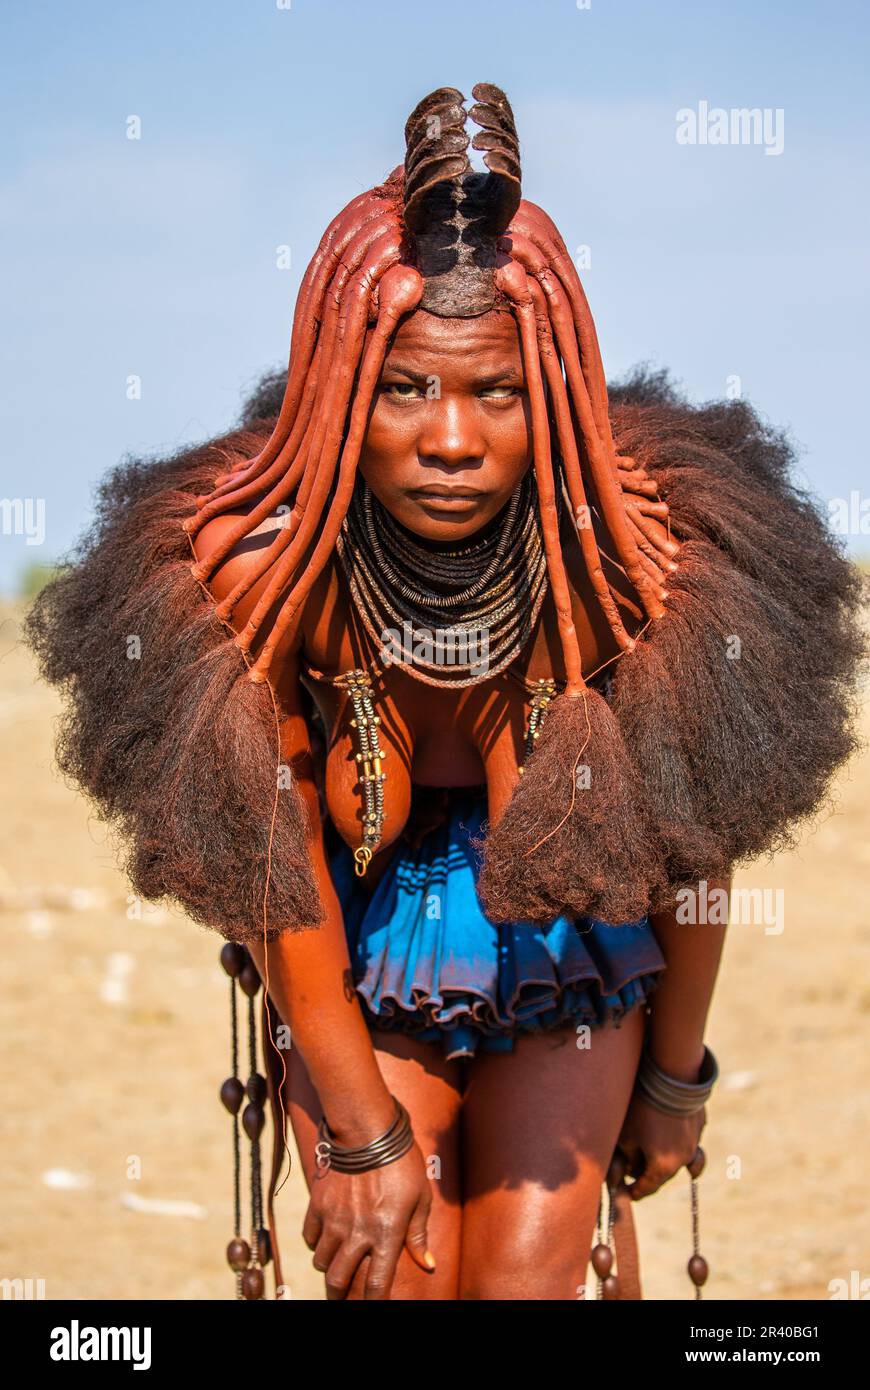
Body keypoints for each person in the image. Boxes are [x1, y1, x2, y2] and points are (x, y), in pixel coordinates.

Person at [26, 85, 864, 1302]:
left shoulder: (641, 571)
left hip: (567, 948)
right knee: (387, 1272)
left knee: (529, 1283)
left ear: (559, 395)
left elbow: (694, 847)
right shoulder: (256, 578)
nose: (454, 438)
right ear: (335, 391)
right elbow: (269, 854)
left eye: (498, 392)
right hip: (352, 945)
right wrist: (358, 1132)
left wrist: (676, 1079)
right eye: (406, 389)